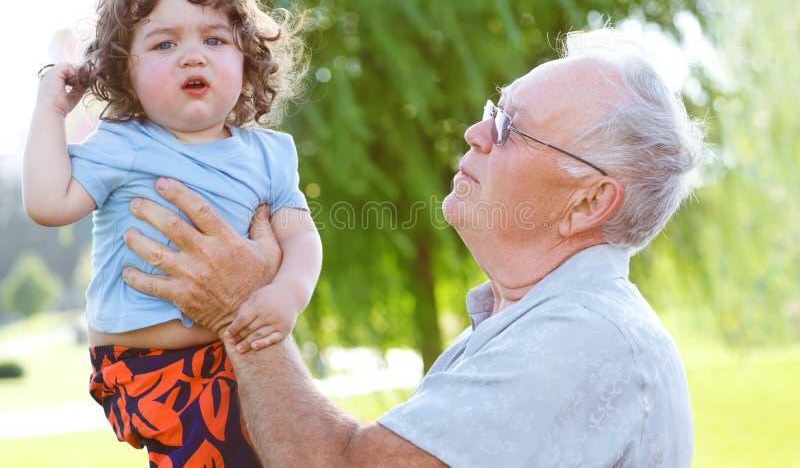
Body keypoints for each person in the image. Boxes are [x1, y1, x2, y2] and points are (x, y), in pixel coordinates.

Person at [121, 28, 703, 467]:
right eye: (492, 113)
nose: (475, 134)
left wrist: (241, 311)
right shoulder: (529, 323)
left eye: (509, 128)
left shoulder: (582, 338)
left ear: (588, 203)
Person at [22, 0, 321, 468]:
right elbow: (48, 204)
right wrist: (50, 112)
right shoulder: (123, 143)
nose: (193, 55)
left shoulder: (271, 155)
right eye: (164, 43)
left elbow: (300, 236)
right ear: (125, 72)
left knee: (286, 446)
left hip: (232, 355)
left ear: (247, 61)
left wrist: (288, 295)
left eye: (214, 39)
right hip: (143, 365)